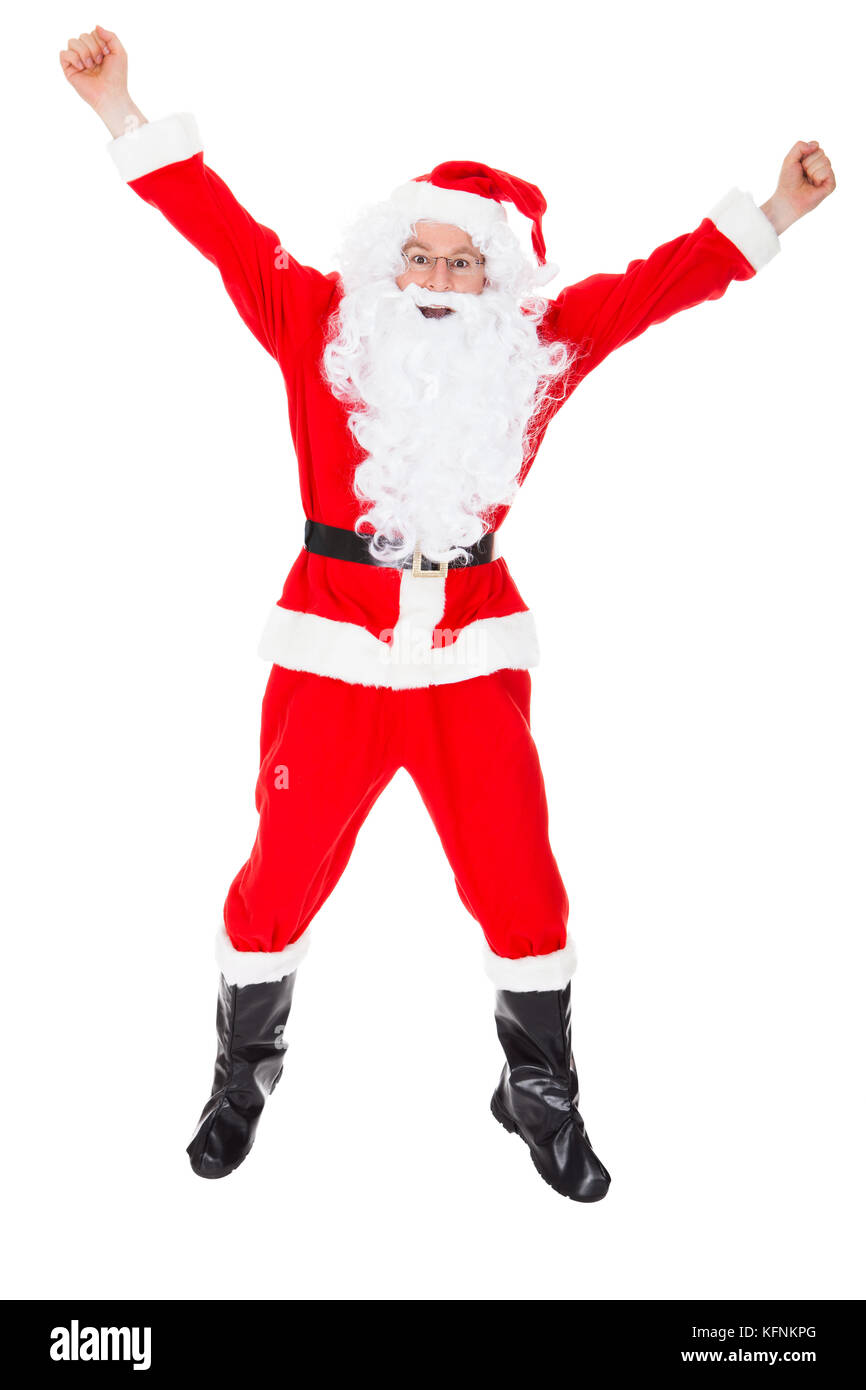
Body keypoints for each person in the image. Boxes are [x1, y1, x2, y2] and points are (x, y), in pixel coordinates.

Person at [61, 25, 835, 1201]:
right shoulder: (317, 326)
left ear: (497, 284)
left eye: (461, 265)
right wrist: (122, 108)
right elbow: (219, 230)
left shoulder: (533, 358)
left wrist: (770, 211)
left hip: (471, 666)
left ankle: (537, 1089)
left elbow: (646, 292)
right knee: (278, 880)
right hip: (328, 658)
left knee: (520, 877)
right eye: (416, 259)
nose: (434, 282)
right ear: (384, 269)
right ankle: (242, 1069)